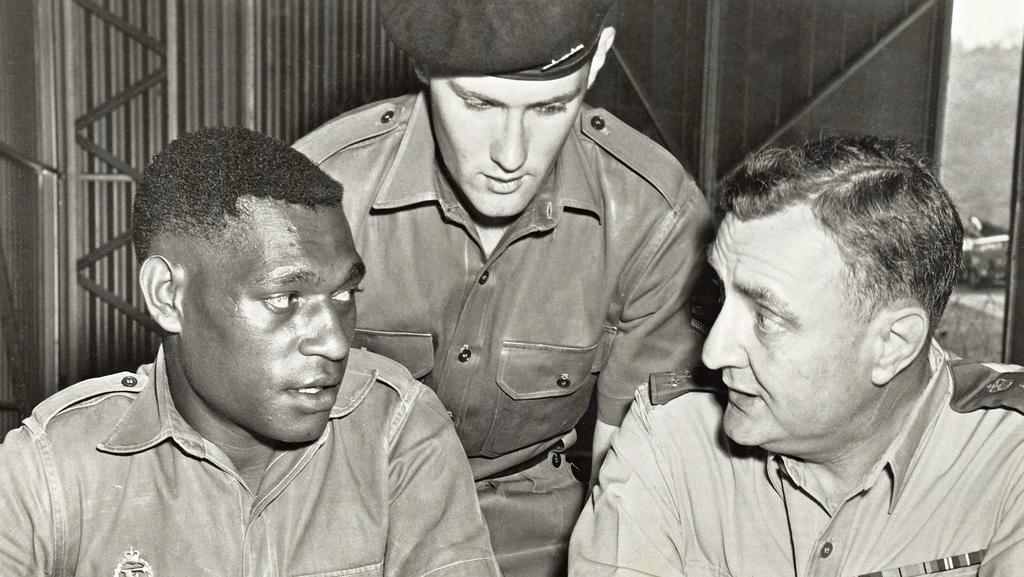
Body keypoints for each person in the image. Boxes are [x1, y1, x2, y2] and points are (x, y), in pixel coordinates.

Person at [293, 1, 714, 574]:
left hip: (534, 527)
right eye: (478, 103)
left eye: (549, 107)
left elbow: (628, 484)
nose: (510, 156)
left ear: (597, 64)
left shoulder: (653, 218)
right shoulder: (319, 194)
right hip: (345, 506)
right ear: (424, 68)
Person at [0, 127, 499, 577]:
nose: (335, 340)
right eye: (285, 298)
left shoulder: (397, 429)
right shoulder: (51, 468)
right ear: (167, 297)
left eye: (344, 295)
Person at [570, 135, 1024, 576]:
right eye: (720, 297)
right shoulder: (671, 435)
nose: (712, 352)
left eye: (765, 315)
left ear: (893, 344)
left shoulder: (1010, 456)